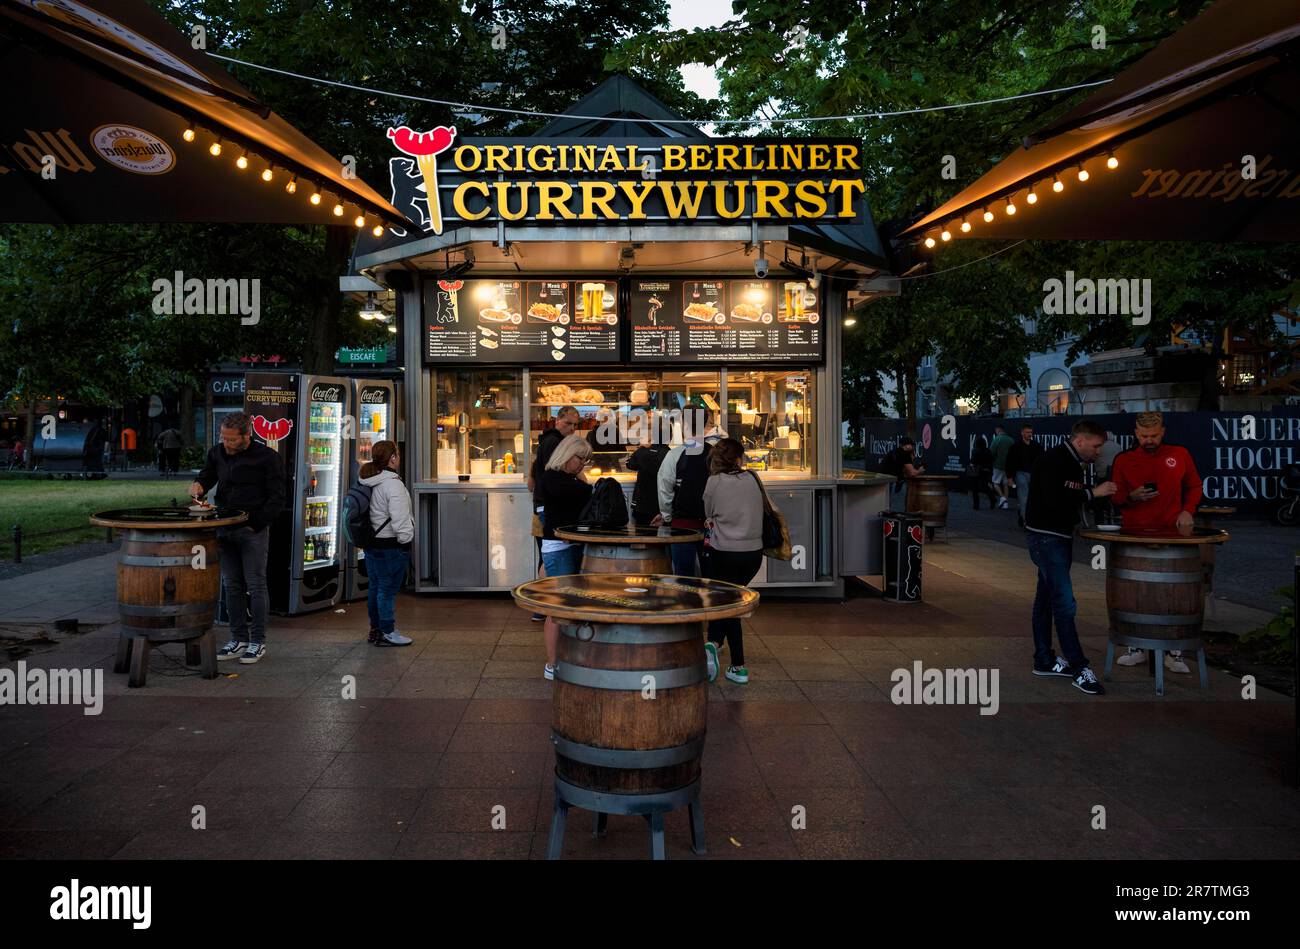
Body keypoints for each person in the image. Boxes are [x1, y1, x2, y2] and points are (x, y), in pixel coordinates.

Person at [1024, 418, 1119, 696]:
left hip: (1050, 537)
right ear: (1080, 441)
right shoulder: (1056, 461)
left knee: (1046, 600)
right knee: (1064, 603)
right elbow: (1057, 499)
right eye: (1096, 445)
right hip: (1047, 538)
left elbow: (1061, 497)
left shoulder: (1063, 460)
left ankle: (1044, 659)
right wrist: (1093, 492)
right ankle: (1079, 667)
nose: (1099, 451)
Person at [1109, 411, 1203, 674]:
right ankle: (1135, 646)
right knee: (1137, 590)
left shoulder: (1180, 454)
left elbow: (1195, 486)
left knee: (1172, 592)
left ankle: (1174, 651)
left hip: (1172, 534)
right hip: (1134, 533)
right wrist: (1131, 496)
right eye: (1143, 436)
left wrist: (1188, 510)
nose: (1148, 440)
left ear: (1163, 432)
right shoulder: (1124, 459)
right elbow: (1114, 496)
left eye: (1153, 435)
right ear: (1135, 434)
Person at [190, 412, 285, 664]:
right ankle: (238, 638)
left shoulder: (267, 458)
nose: (227, 444)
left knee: (255, 584)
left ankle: (257, 641)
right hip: (223, 524)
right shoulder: (217, 452)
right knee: (231, 585)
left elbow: (277, 497)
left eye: (232, 440)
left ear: (246, 436)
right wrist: (199, 484)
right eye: (223, 438)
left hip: (251, 527)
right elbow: (208, 474)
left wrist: (256, 524)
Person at [701, 438, 765, 685]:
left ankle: (738, 666)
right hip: (752, 555)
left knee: (730, 607)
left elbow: (708, 512)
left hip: (724, 552)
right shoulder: (752, 478)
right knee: (731, 600)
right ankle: (714, 643)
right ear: (739, 458)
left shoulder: (713, 482)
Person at [537, 434, 593, 679]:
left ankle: (563, 659)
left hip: (569, 546)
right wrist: (585, 484)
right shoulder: (554, 479)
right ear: (569, 455)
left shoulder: (564, 478)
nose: (583, 465)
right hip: (559, 548)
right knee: (558, 609)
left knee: (569, 605)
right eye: (581, 459)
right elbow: (582, 493)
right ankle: (552, 664)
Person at [358, 440, 415, 647]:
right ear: (392, 458)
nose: (398, 457)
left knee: (375, 588)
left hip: (372, 544)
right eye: (397, 454)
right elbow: (400, 518)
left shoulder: (368, 479)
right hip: (390, 546)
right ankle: (387, 631)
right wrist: (406, 540)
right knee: (387, 591)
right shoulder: (393, 484)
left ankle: (375, 629)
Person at [654, 412, 724, 576]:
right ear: (705, 424)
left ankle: (687, 602)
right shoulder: (715, 454)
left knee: (683, 575)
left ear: (684, 425)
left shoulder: (675, 455)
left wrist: (666, 516)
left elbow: (664, 488)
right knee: (711, 574)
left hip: (681, 525)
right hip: (713, 525)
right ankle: (712, 601)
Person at [528, 406, 579, 620]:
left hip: (541, 504)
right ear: (557, 420)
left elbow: (534, 473)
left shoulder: (546, 440)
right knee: (549, 555)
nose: (572, 429)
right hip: (547, 507)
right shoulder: (555, 443)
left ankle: (540, 606)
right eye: (568, 423)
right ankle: (541, 606)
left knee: (545, 554)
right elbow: (556, 473)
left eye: (575, 425)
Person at [1005, 424, 1044, 529]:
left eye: (1031, 432)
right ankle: (1027, 521)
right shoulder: (1016, 447)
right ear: (1022, 433)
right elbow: (1010, 462)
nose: (1029, 434)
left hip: (1033, 474)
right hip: (1021, 473)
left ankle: (1025, 516)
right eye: (1027, 432)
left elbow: (1042, 461)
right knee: (1024, 498)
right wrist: (1009, 477)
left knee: (1032, 498)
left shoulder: (1036, 446)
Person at [627, 434, 670, 527]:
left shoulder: (642, 452)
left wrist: (641, 448)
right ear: (669, 438)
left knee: (642, 535)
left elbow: (629, 464)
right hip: (661, 506)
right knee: (663, 538)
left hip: (642, 506)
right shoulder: (671, 454)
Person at [968, 435, 997, 510]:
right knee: (985, 487)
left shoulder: (975, 451)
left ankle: (976, 505)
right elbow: (992, 460)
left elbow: (973, 462)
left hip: (976, 471)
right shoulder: (988, 451)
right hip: (986, 471)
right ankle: (992, 499)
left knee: (975, 489)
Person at [990, 424, 1015, 510]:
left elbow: (992, 452)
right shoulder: (1011, 440)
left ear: (998, 430)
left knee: (995, 482)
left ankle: (1002, 498)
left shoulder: (997, 439)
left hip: (998, 465)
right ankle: (1005, 503)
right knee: (1005, 484)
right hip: (1009, 466)